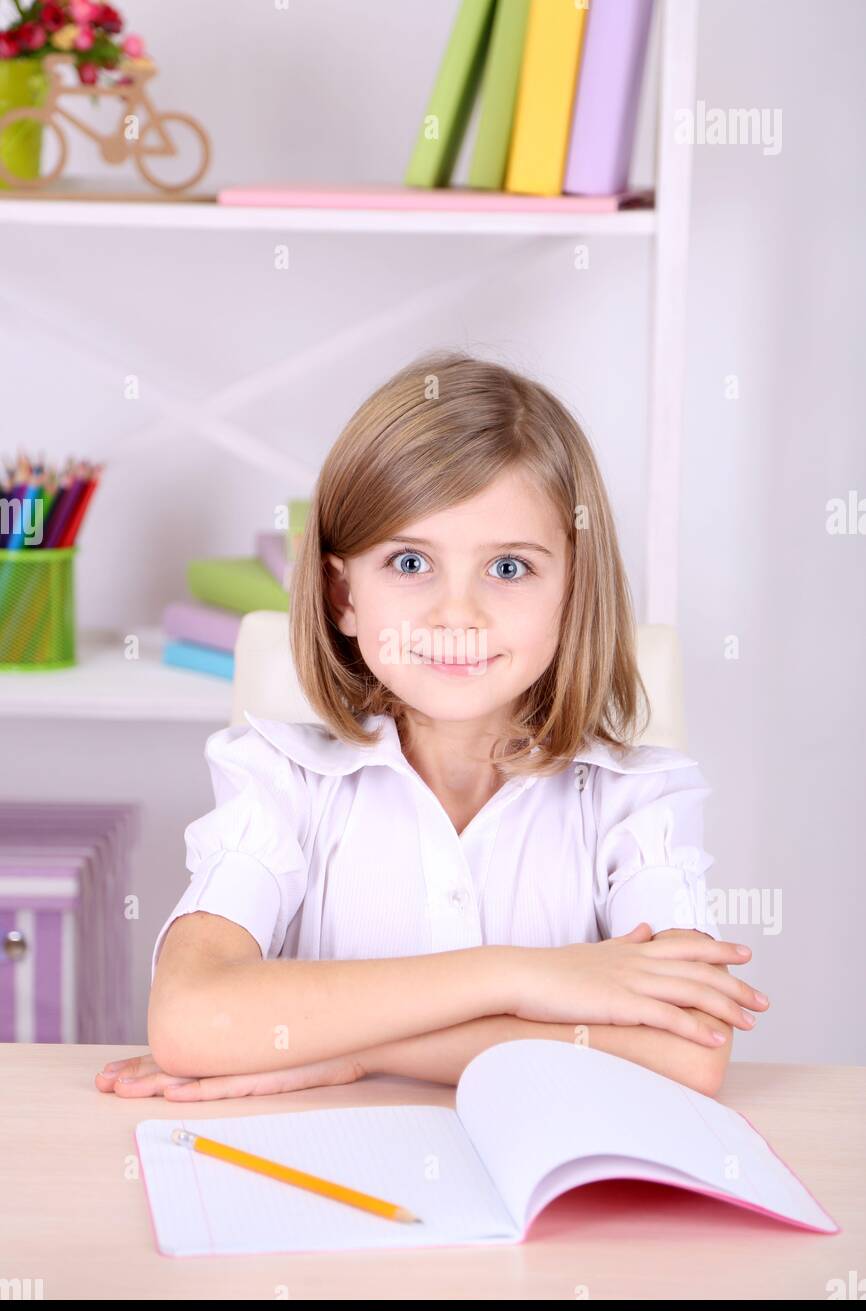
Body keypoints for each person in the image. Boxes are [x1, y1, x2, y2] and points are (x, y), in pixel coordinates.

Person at [97, 352, 768, 1103]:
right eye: (411, 561)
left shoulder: (636, 803)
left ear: (572, 592)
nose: (458, 614)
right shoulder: (282, 783)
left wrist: (358, 1052)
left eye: (509, 568)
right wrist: (526, 975)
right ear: (341, 594)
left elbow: (690, 1054)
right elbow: (191, 1019)